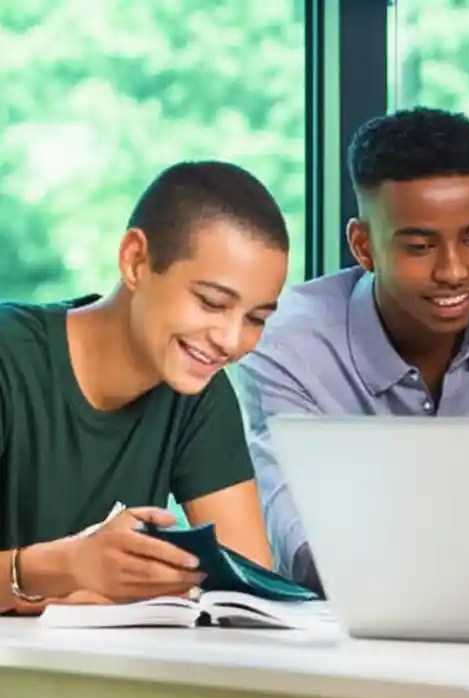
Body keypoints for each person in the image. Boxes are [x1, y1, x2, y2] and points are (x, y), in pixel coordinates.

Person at [239, 107, 469, 589]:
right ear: (363, 246)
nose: (453, 271)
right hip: (347, 614)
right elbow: (299, 542)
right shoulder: (287, 345)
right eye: (419, 247)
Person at [1, 160, 286, 614]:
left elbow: (249, 592)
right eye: (211, 302)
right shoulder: (10, 358)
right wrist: (68, 567)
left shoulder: (197, 390)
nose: (232, 341)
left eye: (256, 319)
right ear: (136, 261)